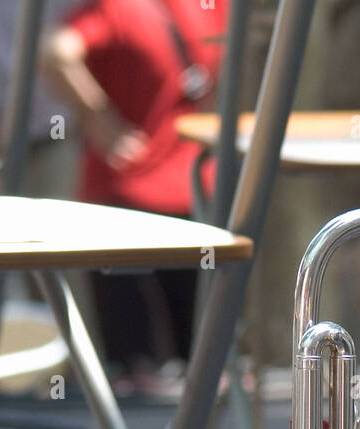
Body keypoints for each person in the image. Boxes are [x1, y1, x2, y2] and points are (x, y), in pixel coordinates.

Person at [42, 0, 229, 395]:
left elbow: (55, 52)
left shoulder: (115, 9)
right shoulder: (207, 7)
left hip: (127, 199)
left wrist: (98, 118)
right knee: (199, 370)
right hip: (186, 197)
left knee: (140, 376)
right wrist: (99, 118)